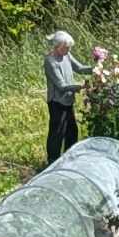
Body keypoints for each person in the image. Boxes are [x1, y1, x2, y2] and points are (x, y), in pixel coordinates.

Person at [42, 31, 82, 163]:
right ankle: (53, 160)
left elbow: (80, 68)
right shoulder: (50, 61)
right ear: (57, 46)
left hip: (68, 100)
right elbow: (61, 86)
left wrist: (97, 69)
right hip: (56, 102)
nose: (68, 50)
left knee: (72, 131)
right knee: (57, 131)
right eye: (66, 47)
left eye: (69, 48)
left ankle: (69, 158)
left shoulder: (67, 55)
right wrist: (81, 86)